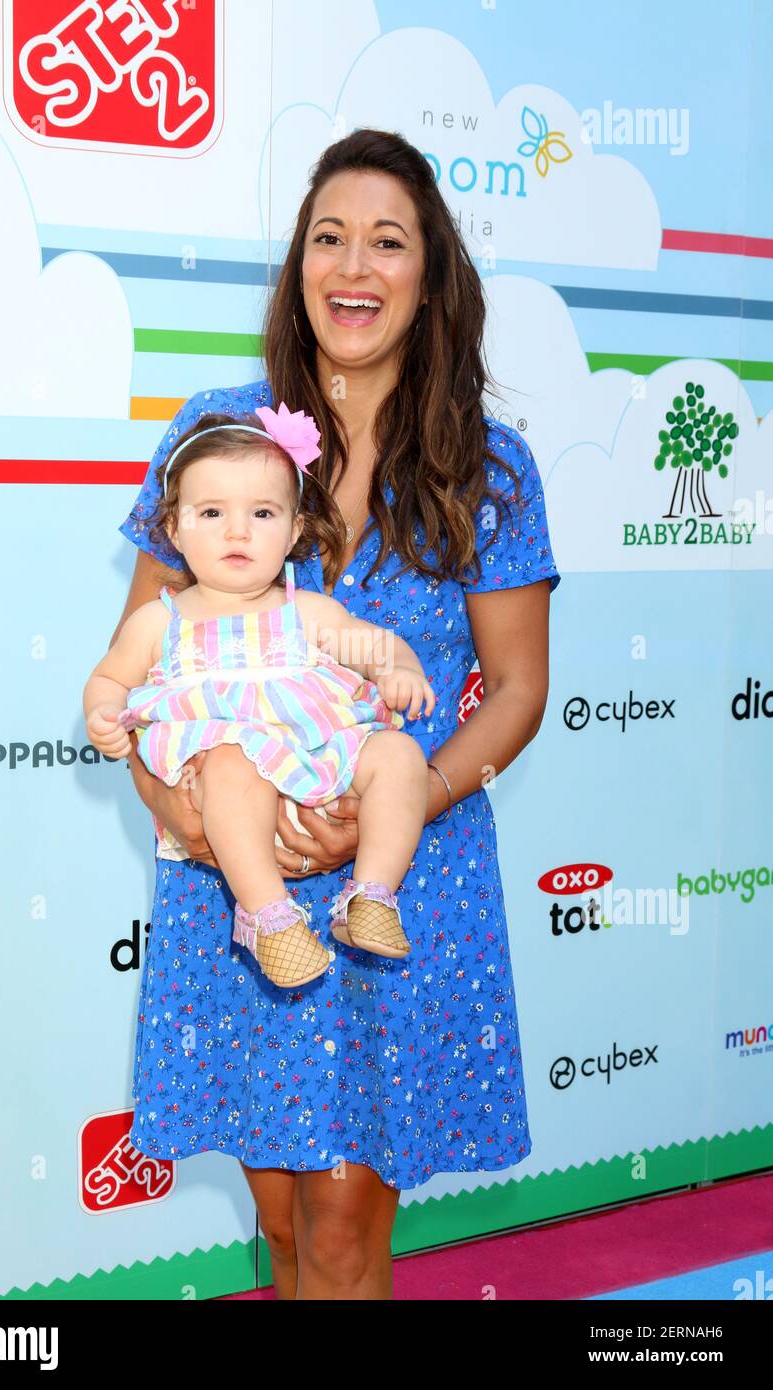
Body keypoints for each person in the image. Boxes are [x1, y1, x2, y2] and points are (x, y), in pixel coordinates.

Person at [111, 127, 560, 1301]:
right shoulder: (217, 431)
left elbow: (515, 687)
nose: (352, 266)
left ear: (431, 275)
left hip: (402, 879)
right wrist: (183, 809)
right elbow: (145, 660)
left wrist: (380, 817)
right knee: (279, 1228)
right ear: (297, 263)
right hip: (239, 884)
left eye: (386, 240)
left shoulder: (486, 466)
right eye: (328, 237)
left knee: (349, 1230)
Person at [84, 403, 435, 990]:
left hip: (318, 770)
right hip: (230, 794)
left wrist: (399, 670)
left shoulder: (308, 612)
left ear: (296, 530)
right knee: (229, 760)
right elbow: (110, 678)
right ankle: (268, 916)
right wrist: (102, 714)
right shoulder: (159, 622)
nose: (238, 531)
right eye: (213, 512)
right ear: (174, 529)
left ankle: (371, 894)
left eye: (263, 512)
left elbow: (378, 646)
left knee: (399, 756)